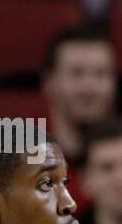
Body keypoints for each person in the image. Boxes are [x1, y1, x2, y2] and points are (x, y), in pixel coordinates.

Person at [40, 24, 117, 212]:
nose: (89, 88)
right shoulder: (23, 164)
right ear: (49, 82)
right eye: (77, 73)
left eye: (100, 74)